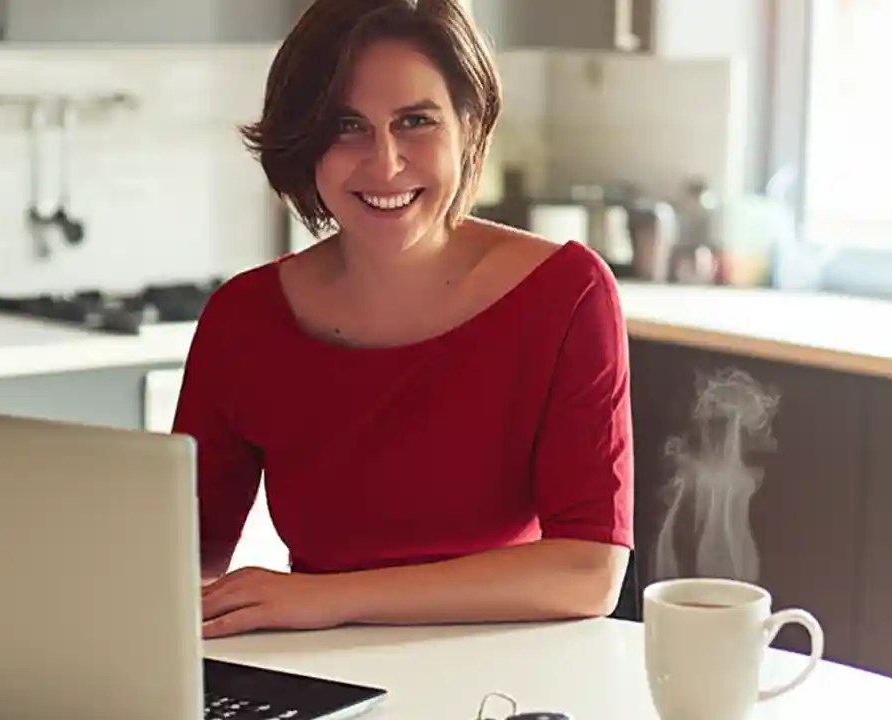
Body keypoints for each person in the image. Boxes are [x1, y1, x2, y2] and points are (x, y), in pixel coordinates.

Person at [172, 0, 635, 640]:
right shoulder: (244, 317)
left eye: (415, 121)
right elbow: (181, 564)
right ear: (304, 140)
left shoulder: (566, 295)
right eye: (346, 126)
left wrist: (327, 598)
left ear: (469, 128)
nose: (384, 163)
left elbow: (589, 572)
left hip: (507, 673)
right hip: (320, 673)